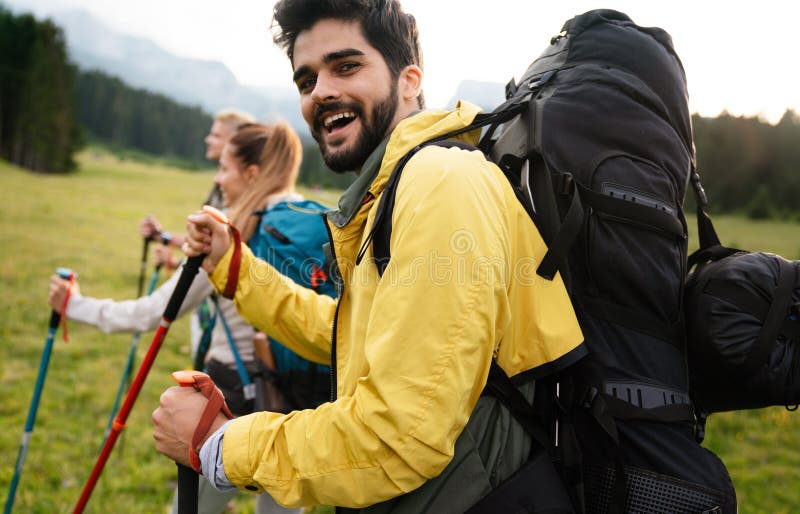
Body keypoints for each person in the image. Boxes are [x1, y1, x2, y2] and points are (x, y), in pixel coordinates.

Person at [152, 1, 585, 512]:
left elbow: (398, 437)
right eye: (306, 80)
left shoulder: (441, 182)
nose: (322, 92)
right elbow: (348, 334)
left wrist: (222, 442)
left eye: (347, 66)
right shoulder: (393, 190)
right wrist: (235, 267)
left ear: (409, 80)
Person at [51, 122, 333, 514]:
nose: (218, 179)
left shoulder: (231, 237)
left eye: (224, 168)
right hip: (302, 403)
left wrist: (74, 305)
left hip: (230, 397)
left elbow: (152, 312)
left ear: (251, 174)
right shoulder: (313, 226)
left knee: (194, 509)